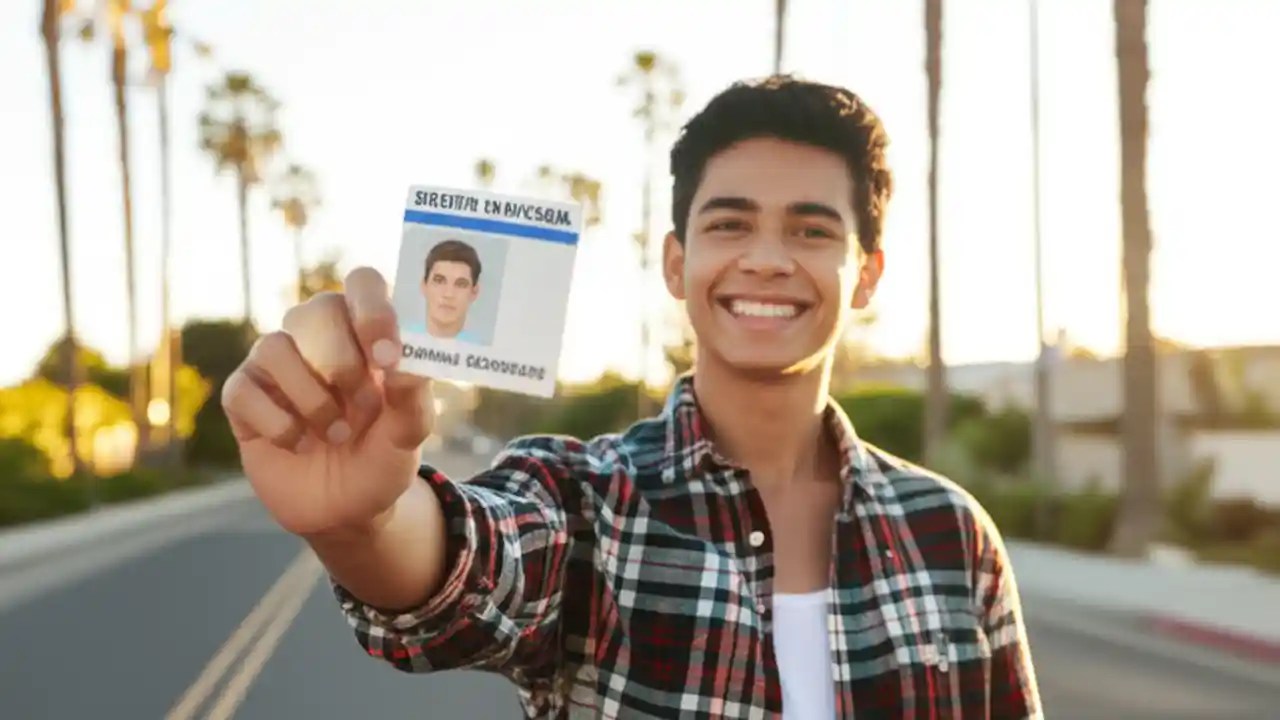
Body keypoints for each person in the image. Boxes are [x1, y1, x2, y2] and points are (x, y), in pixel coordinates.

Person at [221, 75, 1041, 719]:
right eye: (729, 224)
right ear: (676, 265)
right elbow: (465, 566)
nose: (765, 258)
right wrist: (363, 520)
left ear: (865, 274)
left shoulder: (953, 533)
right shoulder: (586, 503)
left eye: (811, 230)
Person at [410, 238, 482, 342]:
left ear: (474, 292)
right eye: (439, 281)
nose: (448, 294)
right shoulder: (401, 337)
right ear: (424, 285)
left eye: (461, 284)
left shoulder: (484, 352)